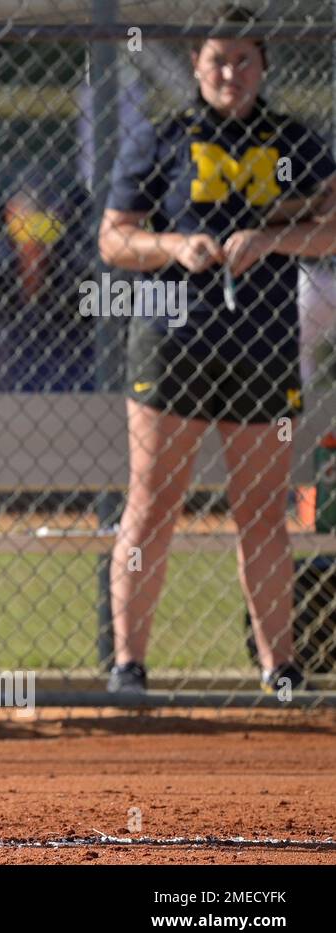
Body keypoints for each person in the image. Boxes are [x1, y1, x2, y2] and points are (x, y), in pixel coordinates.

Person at [98, 6, 336, 694]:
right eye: (216, 60)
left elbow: (330, 229)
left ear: (263, 67)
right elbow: (114, 239)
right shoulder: (164, 139)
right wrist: (175, 246)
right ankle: (128, 665)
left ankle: (279, 667)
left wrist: (274, 240)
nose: (229, 73)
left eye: (243, 60)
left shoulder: (296, 141)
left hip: (262, 347)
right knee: (153, 500)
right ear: (197, 66)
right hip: (172, 343)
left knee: (261, 509)